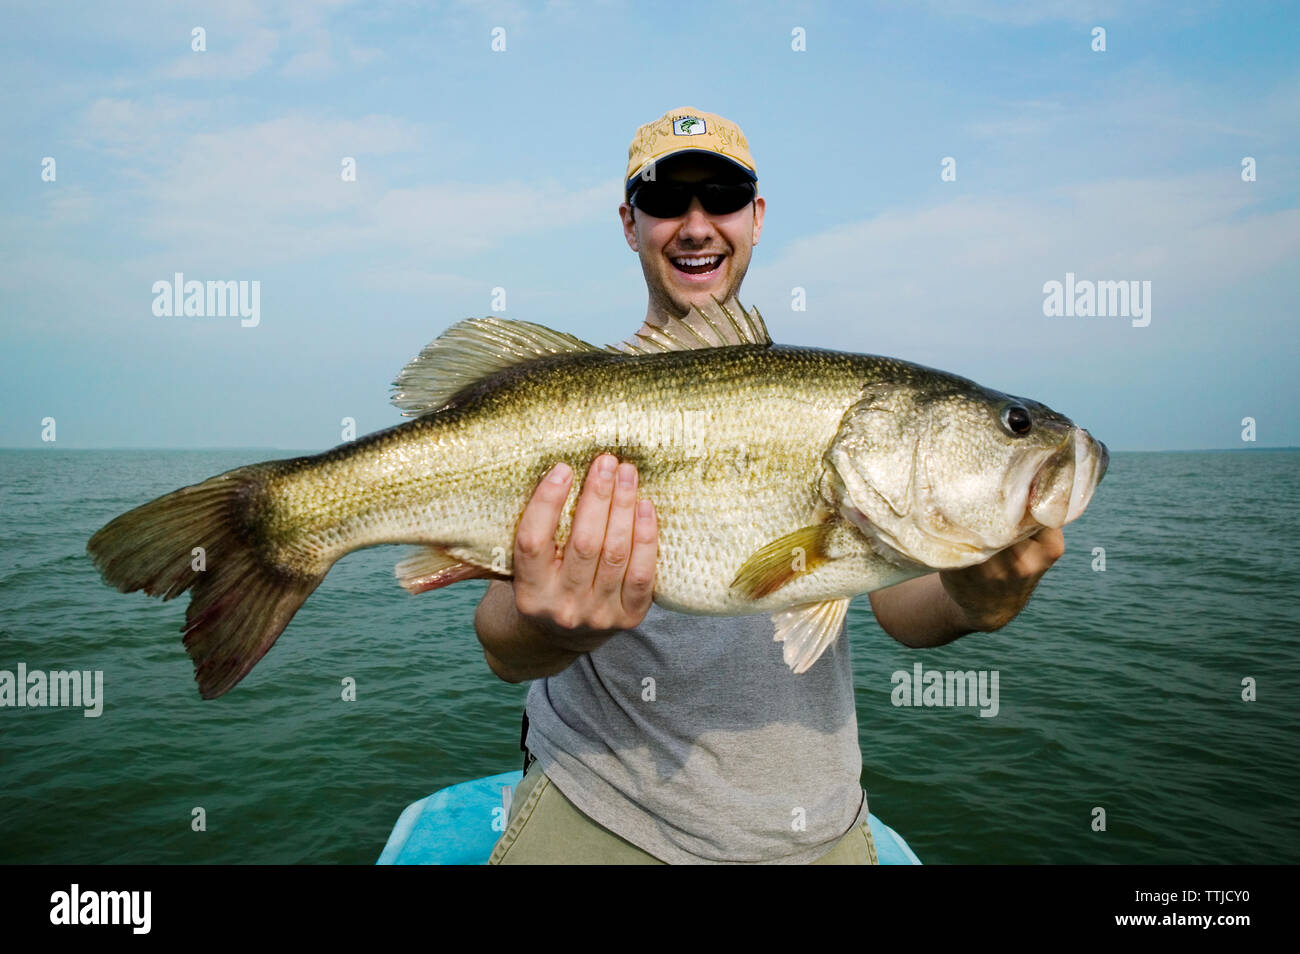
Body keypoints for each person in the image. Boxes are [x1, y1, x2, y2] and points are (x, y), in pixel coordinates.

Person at [476, 107, 1065, 864]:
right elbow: (501, 646)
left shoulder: (843, 434)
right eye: (664, 200)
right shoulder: (565, 410)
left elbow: (901, 611)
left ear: (755, 218)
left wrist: (975, 599)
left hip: (818, 829)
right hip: (600, 809)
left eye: (721, 196)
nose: (695, 224)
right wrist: (555, 628)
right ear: (630, 224)